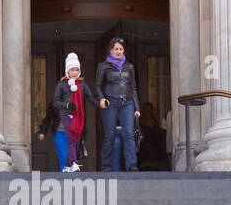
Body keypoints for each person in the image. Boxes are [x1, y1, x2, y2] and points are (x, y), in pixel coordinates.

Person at [96, 37, 141, 172]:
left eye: (121, 49)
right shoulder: (103, 66)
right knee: (110, 135)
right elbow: (97, 86)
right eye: (116, 49)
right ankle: (106, 167)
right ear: (111, 50)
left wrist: (137, 108)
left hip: (127, 103)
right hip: (110, 102)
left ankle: (132, 165)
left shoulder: (130, 66)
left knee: (129, 134)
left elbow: (133, 88)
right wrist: (101, 98)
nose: (118, 51)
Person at [53, 53, 99, 173]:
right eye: (72, 70)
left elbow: (90, 97)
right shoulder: (62, 84)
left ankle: (68, 165)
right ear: (67, 71)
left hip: (78, 115)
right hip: (66, 114)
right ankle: (73, 162)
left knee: (76, 139)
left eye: (76, 70)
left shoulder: (83, 85)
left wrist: (101, 104)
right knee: (71, 138)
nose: (74, 72)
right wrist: (67, 105)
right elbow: (56, 102)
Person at [137, 101, 171, 171]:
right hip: (150, 158)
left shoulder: (143, 122)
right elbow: (159, 140)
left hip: (147, 158)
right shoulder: (152, 122)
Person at [37, 99, 67, 172]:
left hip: (72, 134)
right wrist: (42, 132)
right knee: (63, 156)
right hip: (59, 133)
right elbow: (48, 118)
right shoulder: (55, 103)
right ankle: (66, 176)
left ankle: (69, 176)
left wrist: (82, 136)